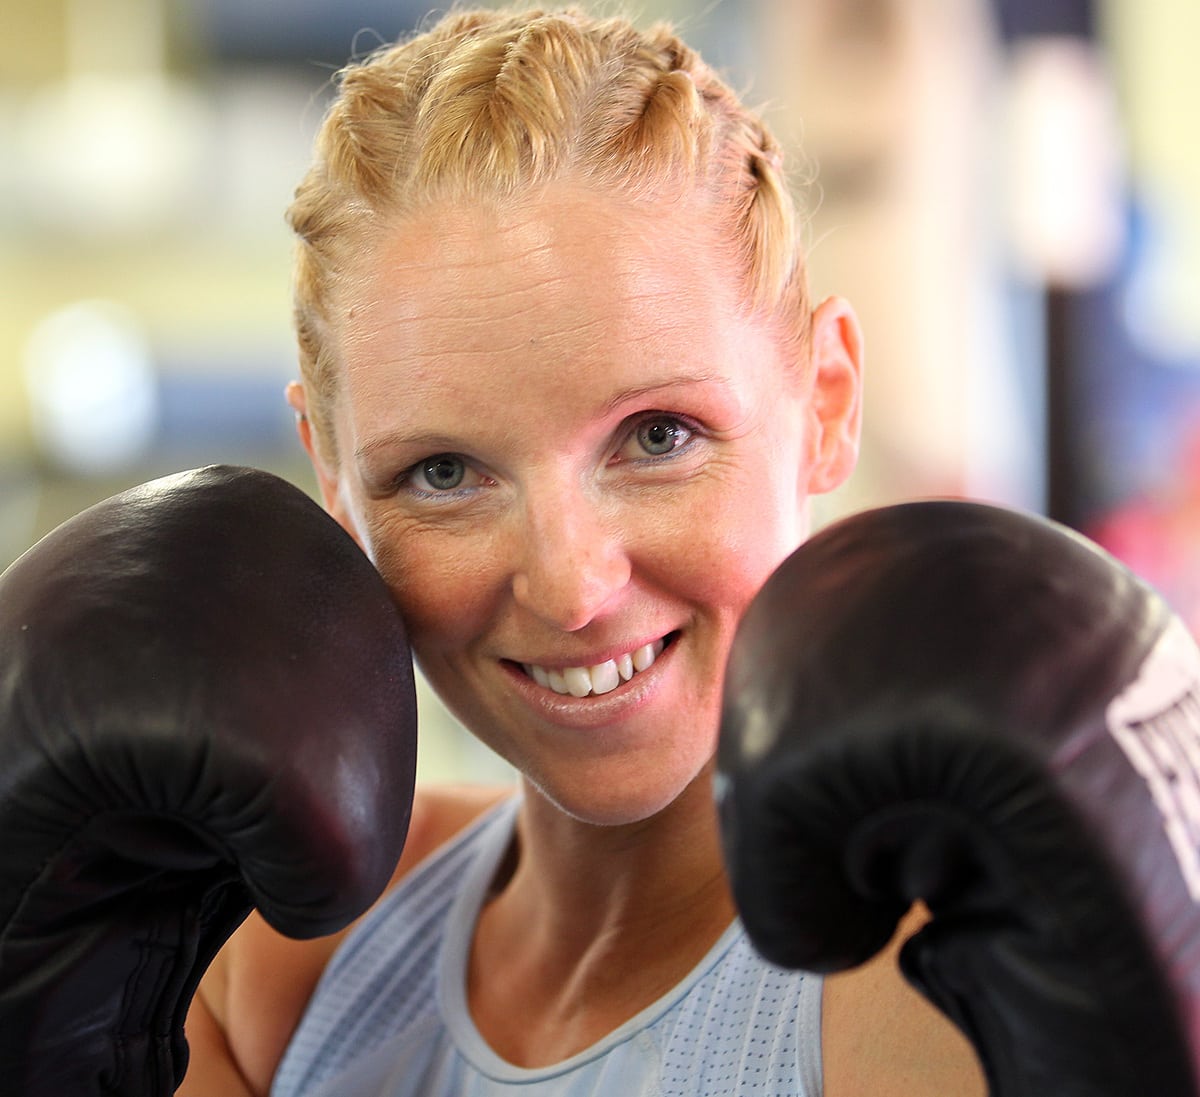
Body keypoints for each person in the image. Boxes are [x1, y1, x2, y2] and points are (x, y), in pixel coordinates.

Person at [180, 6, 987, 1095]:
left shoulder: (931, 977)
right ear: (332, 476)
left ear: (827, 400)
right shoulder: (286, 953)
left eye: (659, 437)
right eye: (446, 473)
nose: (569, 587)